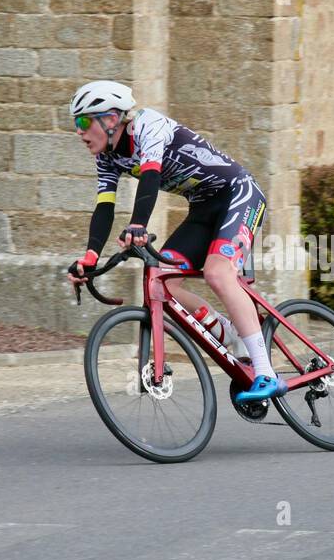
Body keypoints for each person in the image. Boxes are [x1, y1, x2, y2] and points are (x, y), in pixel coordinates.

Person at [64, 80, 285, 402]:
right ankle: (236, 337)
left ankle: (266, 372)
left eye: (84, 122)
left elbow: (150, 176)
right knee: (166, 282)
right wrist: (89, 257)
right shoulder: (108, 157)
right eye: (76, 123)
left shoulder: (147, 126)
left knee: (218, 273)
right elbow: (104, 207)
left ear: (111, 119)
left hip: (240, 195)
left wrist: (138, 225)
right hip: (203, 207)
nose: (80, 132)